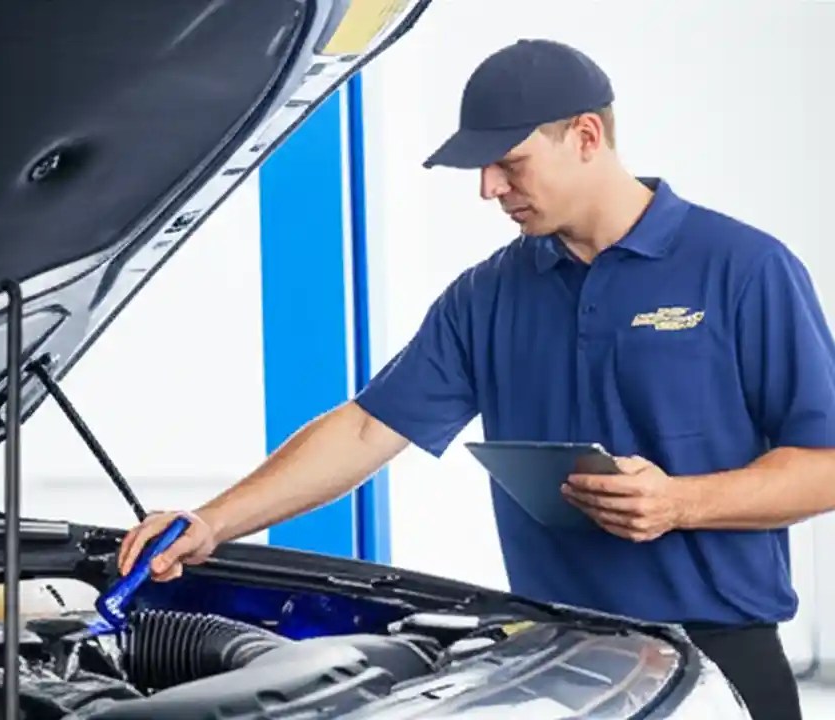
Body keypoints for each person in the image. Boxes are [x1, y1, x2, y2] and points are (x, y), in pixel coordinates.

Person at [117, 38, 835, 719]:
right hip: (561, 665)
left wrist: (681, 503)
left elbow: (826, 469)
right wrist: (213, 523)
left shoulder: (744, 269)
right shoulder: (485, 295)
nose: (490, 188)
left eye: (510, 162)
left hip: (719, 664)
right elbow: (368, 427)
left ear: (587, 136)